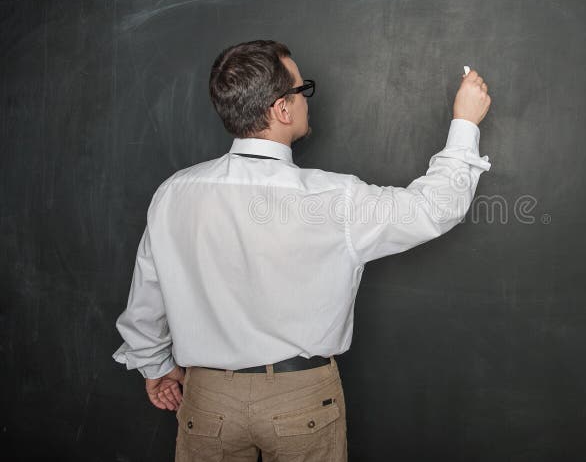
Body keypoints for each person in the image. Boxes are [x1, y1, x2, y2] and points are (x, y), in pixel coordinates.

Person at [112, 39, 492, 461]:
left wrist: (157, 367)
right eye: (301, 90)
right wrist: (465, 122)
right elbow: (435, 208)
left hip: (207, 401)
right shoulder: (334, 197)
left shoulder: (173, 193)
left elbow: (145, 304)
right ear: (282, 109)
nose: (307, 101)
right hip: (301, 401)